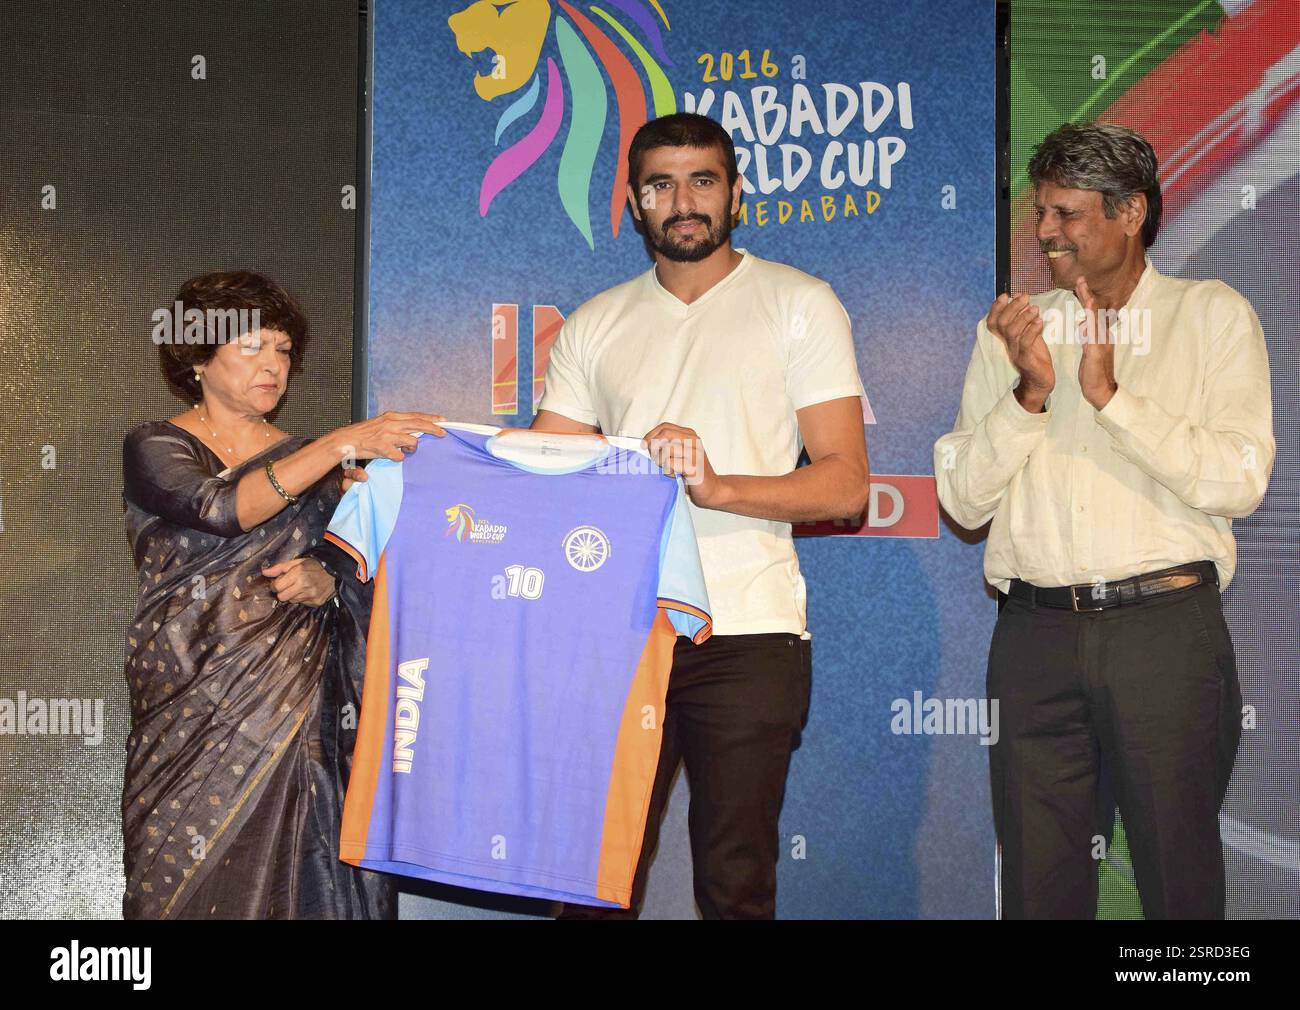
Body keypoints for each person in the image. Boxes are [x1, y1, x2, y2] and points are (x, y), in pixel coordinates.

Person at [529, 112, 870, 918]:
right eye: (661, 184)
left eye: (702, 180)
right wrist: (422, 472)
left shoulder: (800, 303)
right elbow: (541, 469)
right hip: (618, 630)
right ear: (635, 202)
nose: (683, 200)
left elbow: (845, 485)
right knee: (593, 878)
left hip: (747, 630)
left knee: (736, 876)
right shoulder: (596, 321)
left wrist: (716, 487)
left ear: (736, 194)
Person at [934, 123, 1274, 919]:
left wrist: (1113, 399)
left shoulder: (1211, 316)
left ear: (1131, 212)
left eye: (1067, 214)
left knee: (1177, 877)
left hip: (1164, 632)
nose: (1046, 232)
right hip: (1035, 636)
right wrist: (1029, 394)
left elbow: (1240, 478)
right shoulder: (1011, 333)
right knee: (1037, 886)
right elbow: (962, 500)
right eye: (1042, 213)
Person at [121, 270, 446, 919]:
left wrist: (329, 578)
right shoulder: (155, 445)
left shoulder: (321, 468)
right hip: (188, 713)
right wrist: (339, 443)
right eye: (253, 347)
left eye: (284, 352)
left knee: (301, 880)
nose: (274, 366)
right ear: (195, 355)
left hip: (293, 714)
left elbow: (361, 575)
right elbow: (218, 508)